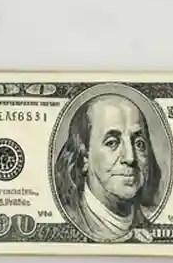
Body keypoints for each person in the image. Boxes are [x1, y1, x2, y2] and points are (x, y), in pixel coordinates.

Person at [54, 92, 163, 242]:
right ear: (85, 156)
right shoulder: (73, 218)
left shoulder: (148, 222)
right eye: (112, 143)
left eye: (138, 144)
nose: (130, 157)